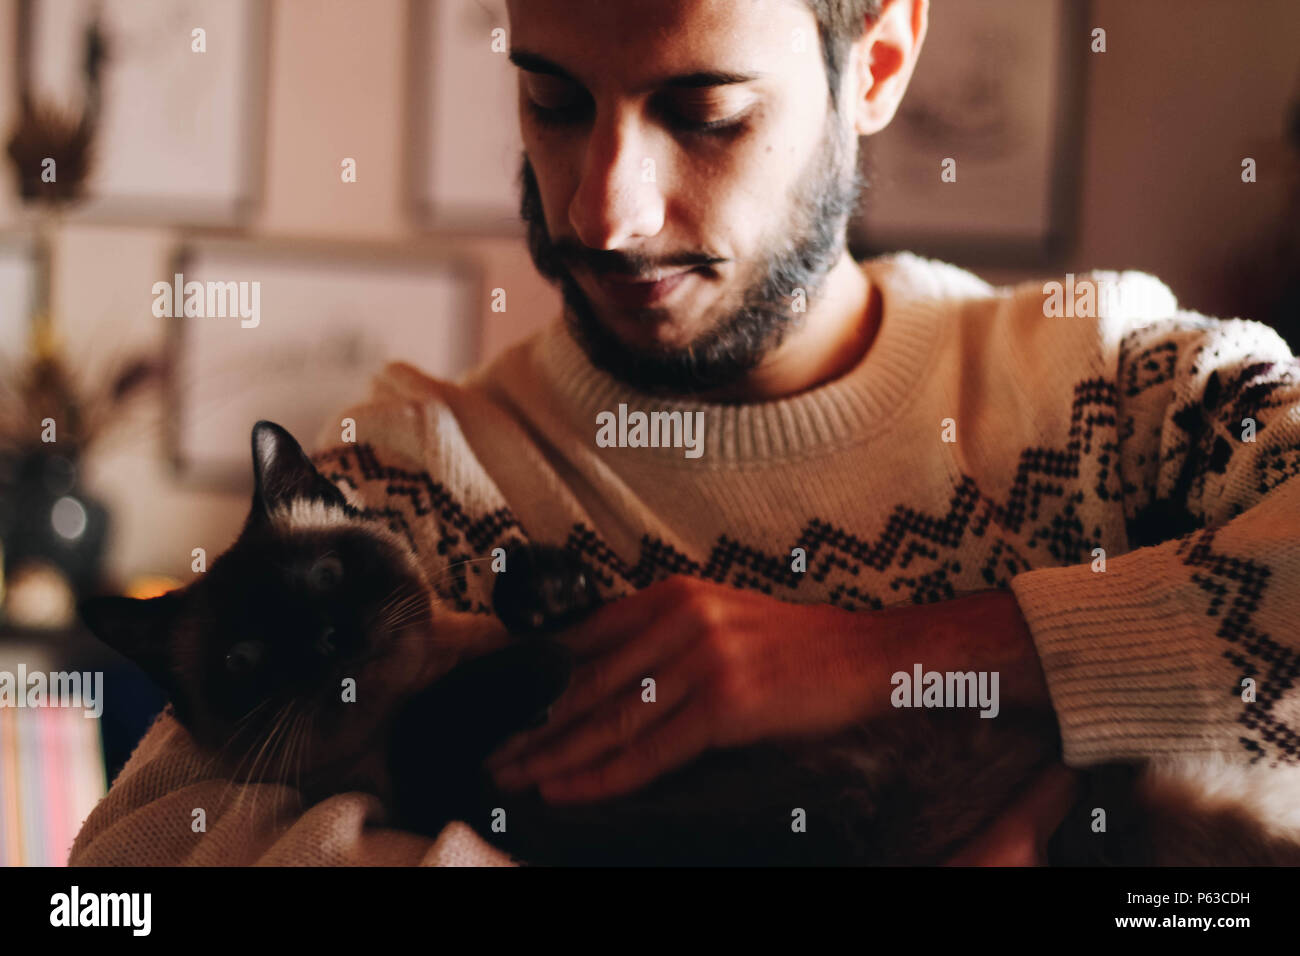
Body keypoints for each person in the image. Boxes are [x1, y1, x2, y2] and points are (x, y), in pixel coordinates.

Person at [71, 0, 1300, 866]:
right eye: (552, 102)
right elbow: (127, 870)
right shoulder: (405, 478)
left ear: (872, 66)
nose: (602, 208)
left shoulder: (1120, 382)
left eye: (703, 113)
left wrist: (883, 656)